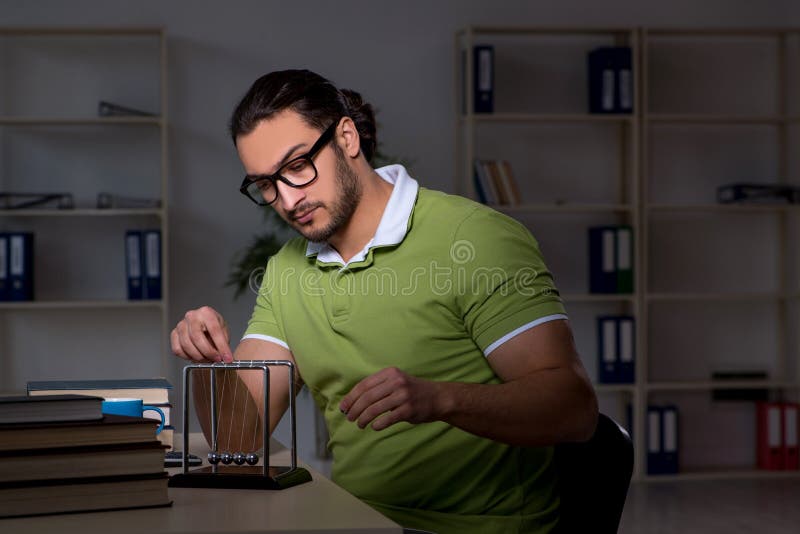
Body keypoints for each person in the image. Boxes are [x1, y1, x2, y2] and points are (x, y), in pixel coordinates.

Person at [171, 69, 598, 534]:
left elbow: (573, 410)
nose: (288, 199)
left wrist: (441, 399)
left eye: (297, 166)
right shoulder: (287, 269)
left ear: (346, 137)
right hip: (356, 522)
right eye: (266, 184)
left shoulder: (474, 239)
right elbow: (239, 440)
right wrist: (209, 360)